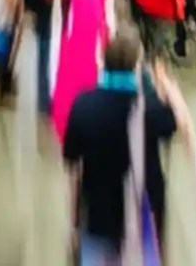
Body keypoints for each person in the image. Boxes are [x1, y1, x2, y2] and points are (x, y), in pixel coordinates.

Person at [63, 33, 187, 266]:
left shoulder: (83, 105)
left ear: (104, 62)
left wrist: (73, 221)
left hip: (98, 213)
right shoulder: (149, 110)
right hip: (142, 214)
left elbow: (73, 169)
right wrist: (167, 85)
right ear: (136, 68)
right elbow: (182, 121)